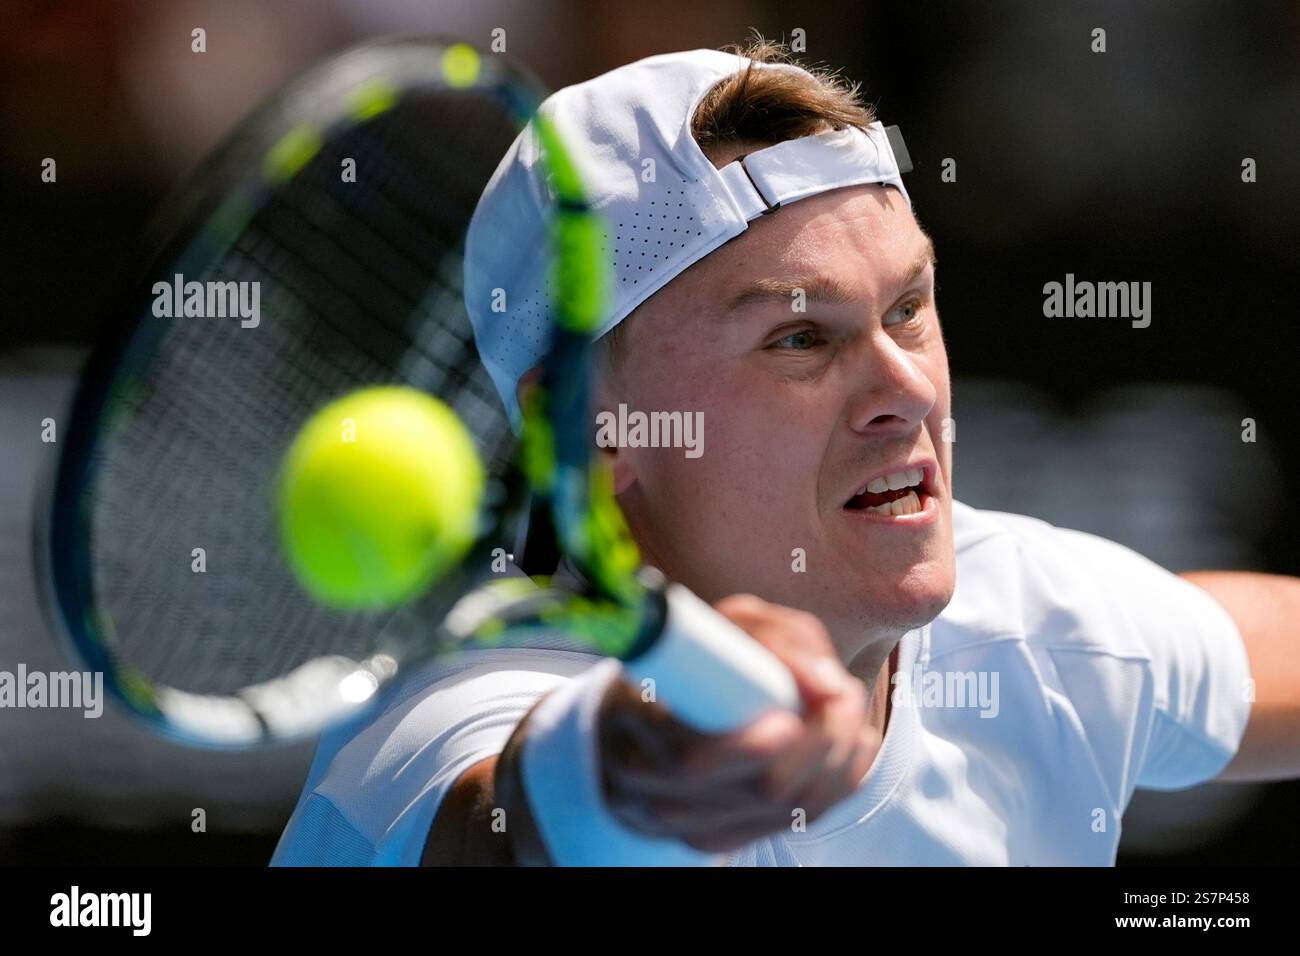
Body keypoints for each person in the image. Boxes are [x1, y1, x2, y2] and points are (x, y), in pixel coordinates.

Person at [272, 38, 1300, 867]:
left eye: (908, 307)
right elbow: (506, 822)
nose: (905, 389)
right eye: (800, 338)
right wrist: (634, 763)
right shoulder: (429, 737)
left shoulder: (1042, 631)